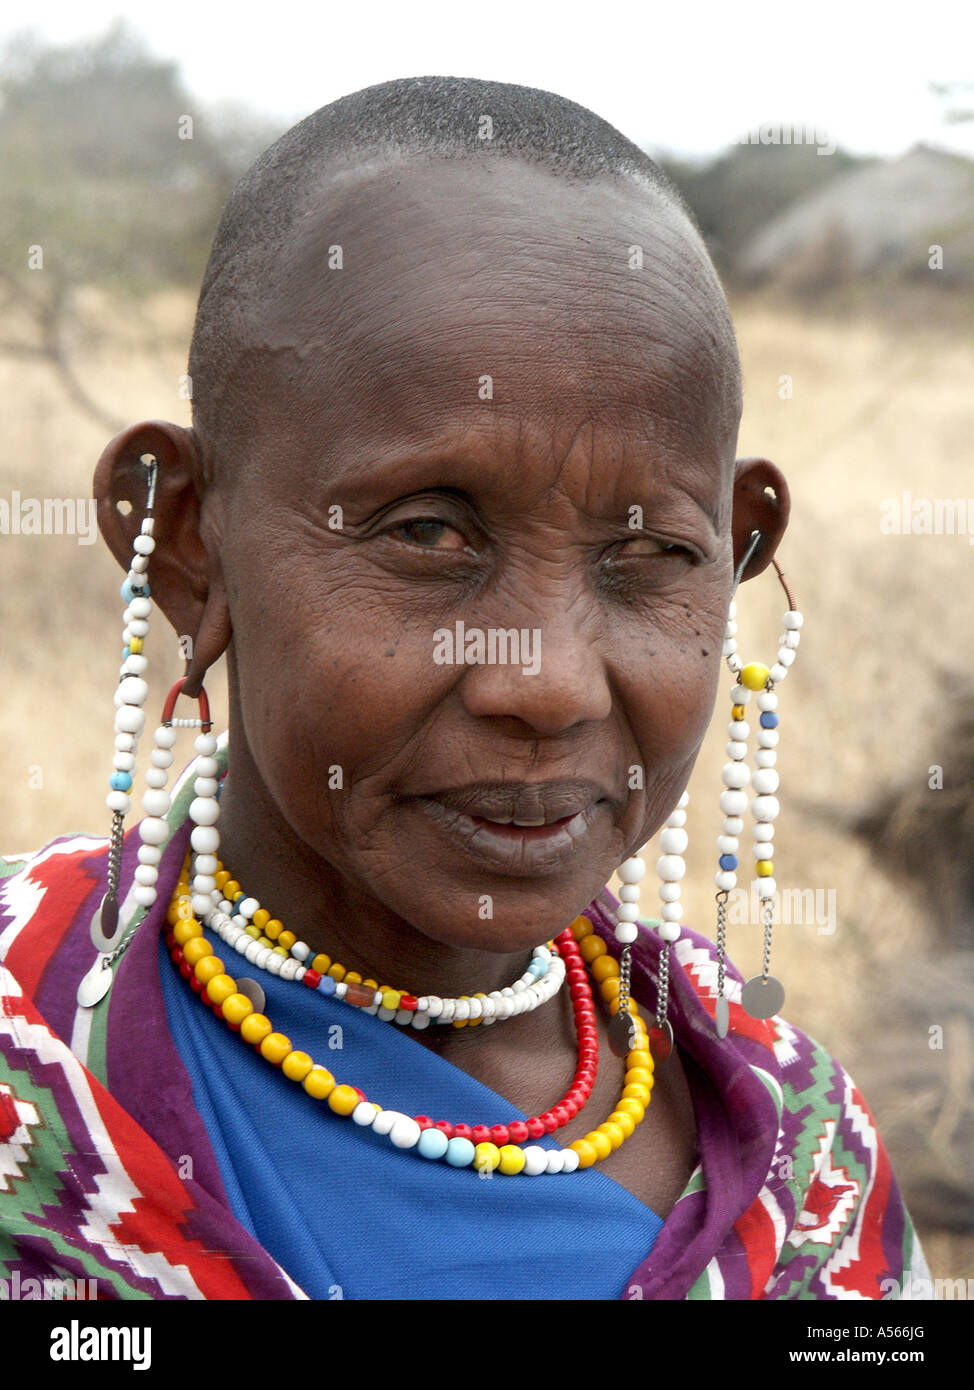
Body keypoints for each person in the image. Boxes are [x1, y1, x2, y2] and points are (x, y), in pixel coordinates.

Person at [0, 75, 930, 1301]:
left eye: (648, 556)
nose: (544, 683)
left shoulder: (799, 1151)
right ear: (185, 544)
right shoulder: (37, 1058)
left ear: (738, 550)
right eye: (427, 534)